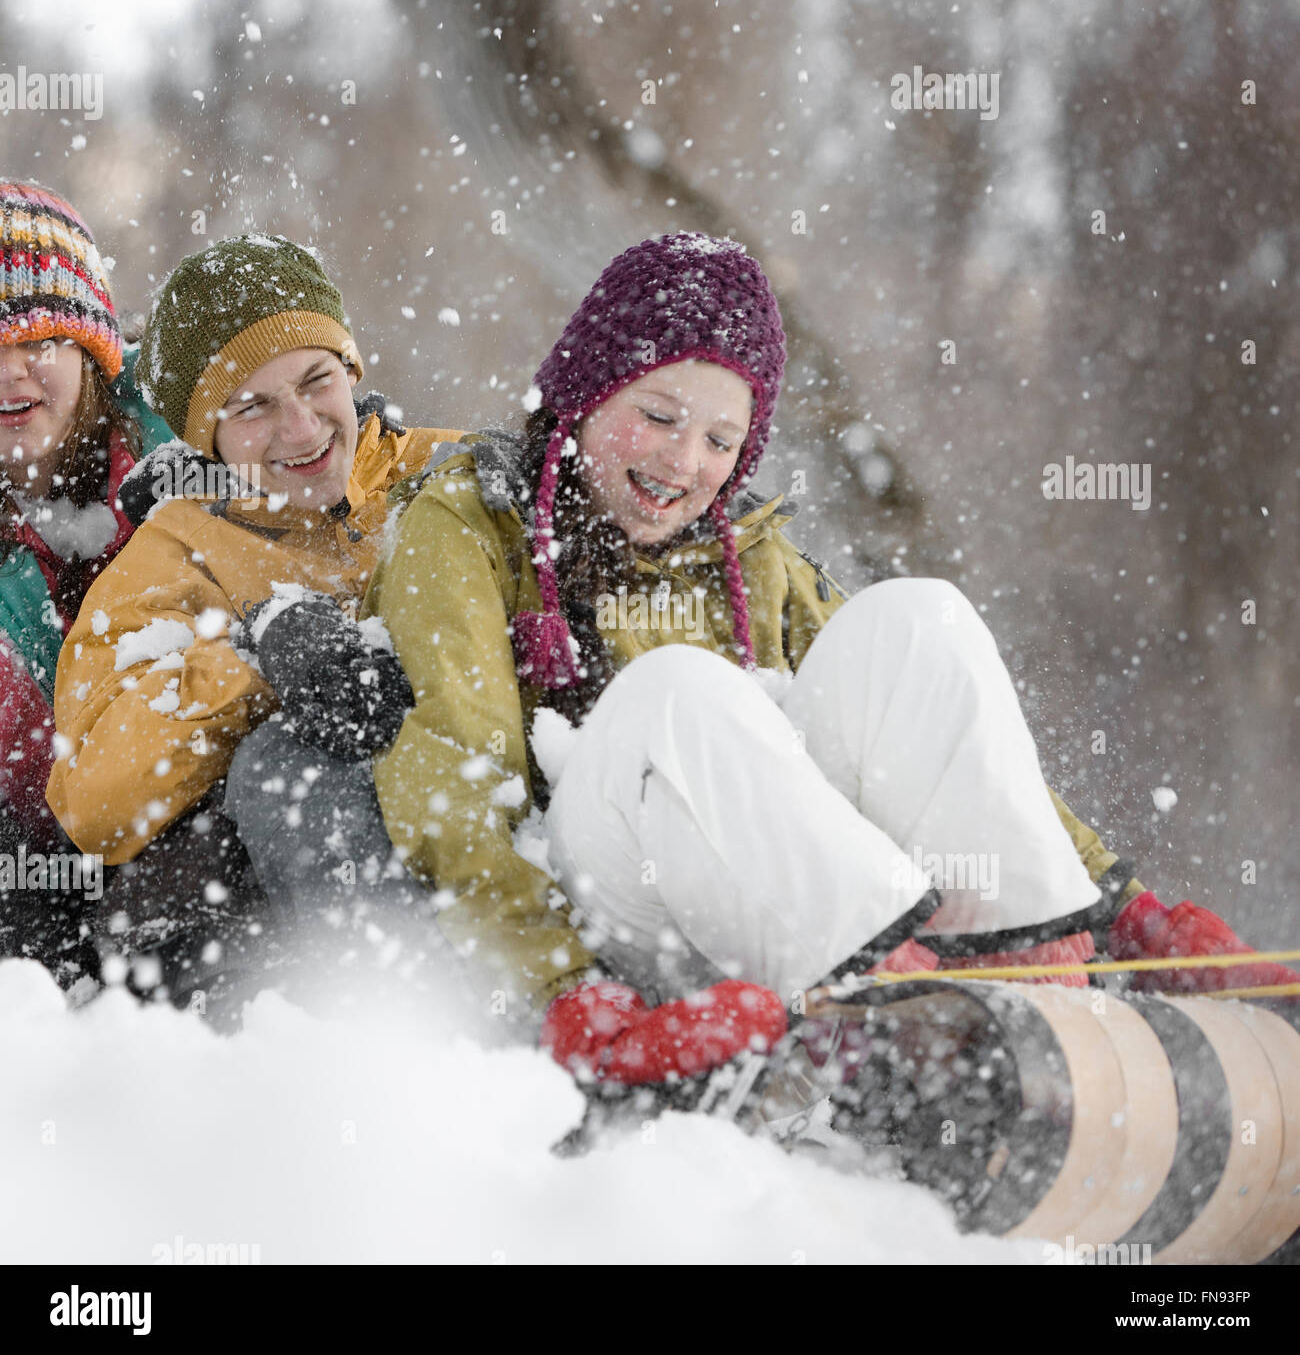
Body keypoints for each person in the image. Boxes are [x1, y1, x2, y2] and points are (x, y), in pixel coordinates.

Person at [367, 231, 1297, 1086]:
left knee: (916, 621)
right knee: (678, 689)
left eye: (722, 440)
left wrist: (1125, 902)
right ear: (586, 391)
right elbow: (452, 770)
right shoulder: (469, 523)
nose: (685, 462)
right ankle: (892, 1010)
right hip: (608, 903)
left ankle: (1030, 964)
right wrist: (561, 989)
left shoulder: (752, 556)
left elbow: (938, 728)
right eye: (657, 415)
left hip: (771, 906)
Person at [46, 234, 460, 1007]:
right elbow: (95, 800)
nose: (301, 429)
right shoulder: (175, 556)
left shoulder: (447, 475)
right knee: (285, 765)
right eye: (253, 407)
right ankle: (393, 1033)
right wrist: (253, 661)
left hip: (484, 832)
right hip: (292, 910)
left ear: (352, 372)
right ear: (208, 433)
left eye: (316, 381)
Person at [0, 180, 169, 986]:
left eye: (36, 342)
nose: (11, 377)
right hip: (26, 839)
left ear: (90, 349)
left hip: (181, 802)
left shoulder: (188, 436)